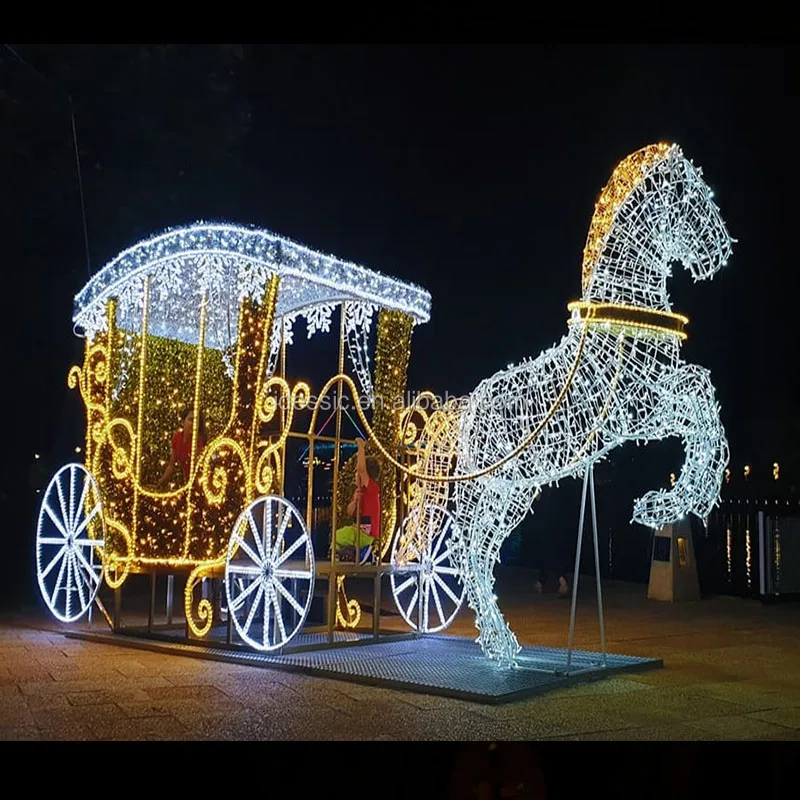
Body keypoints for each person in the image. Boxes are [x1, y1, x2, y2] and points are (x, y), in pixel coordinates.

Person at [334, 438, 381, 560]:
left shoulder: (371, 488)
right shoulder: (360, 491)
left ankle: (362, 551)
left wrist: (361, 447)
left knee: (337, 537)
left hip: (366, 533)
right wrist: (355, 501)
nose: (356, 475)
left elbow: (361, 470)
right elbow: (349, 511)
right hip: (359, 530)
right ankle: (361, 552)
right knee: (338, 539)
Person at [156, 406, 208, 490]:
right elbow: (171, 465)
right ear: (184, 421)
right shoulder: (177, 438)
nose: (193, 423)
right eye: (190, 420)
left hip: (196, 485)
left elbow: (197, 468)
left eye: (196, 421)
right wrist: (161, 482)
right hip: (184, 483)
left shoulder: (197, 440)